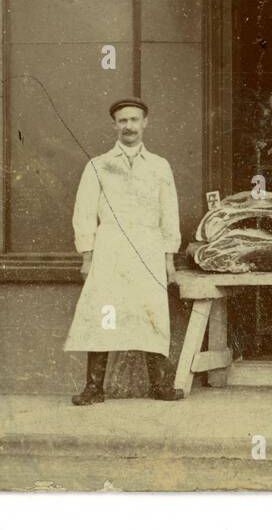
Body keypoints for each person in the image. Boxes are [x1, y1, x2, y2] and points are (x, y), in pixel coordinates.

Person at [64, 98, 184, 405]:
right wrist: (87, 257)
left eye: (134, 120)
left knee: (152, 312)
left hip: (148, 248)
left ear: (146, 123)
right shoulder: (98, 166)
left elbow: (168, 214)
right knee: (103, 312)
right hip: (110, 251)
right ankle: (94, 388)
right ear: (114, 125)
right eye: (122, 121)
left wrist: (169, 259)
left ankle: (159, 385)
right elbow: (85, 212)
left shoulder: (159, 166)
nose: (128, 126)